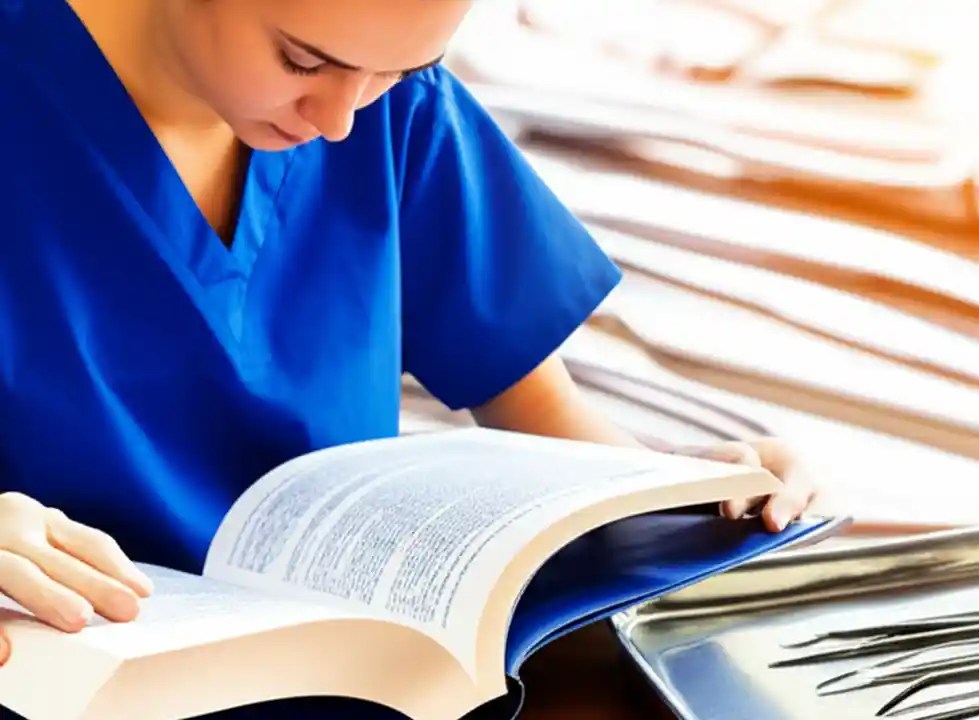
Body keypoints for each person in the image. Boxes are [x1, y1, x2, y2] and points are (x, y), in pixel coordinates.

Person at [0, 0, 819, 687]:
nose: (342, 119)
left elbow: (543, 412)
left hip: (356, 676)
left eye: (397, 71)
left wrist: (690, 492)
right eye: (300, 61)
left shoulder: (399, 108)